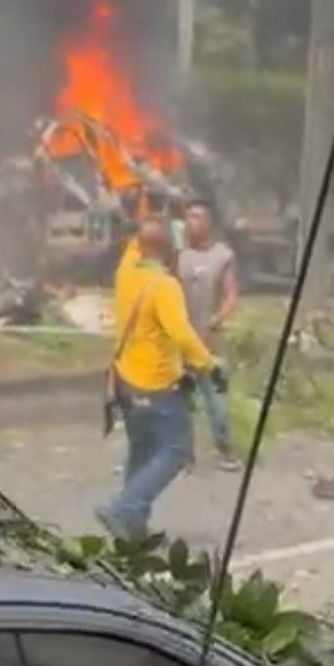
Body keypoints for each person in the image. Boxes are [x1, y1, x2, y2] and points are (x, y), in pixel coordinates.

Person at [97, 218, 222, 542]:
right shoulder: (164, 286)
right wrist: (208, 365)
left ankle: (133, 529)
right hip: (155, 384)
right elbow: (181, 333)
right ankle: (124, 510)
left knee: (141, 450)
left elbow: (136, 243)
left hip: (124, 380)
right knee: (175, 449)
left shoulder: (126, 271)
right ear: (170, 252)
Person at [178, 199, 240, 469]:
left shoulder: (222, 256)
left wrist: (218, 319)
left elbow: (230, 295)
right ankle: (184, 456)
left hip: (210, 342)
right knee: (181, 401)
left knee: (215, 399)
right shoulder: (179, 257)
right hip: (180, 341)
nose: (191, 222)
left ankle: (226, 451)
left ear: (208, 222)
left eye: (197, 217)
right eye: (188, 217)